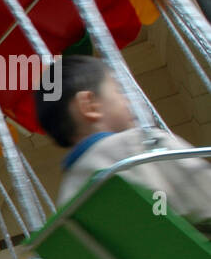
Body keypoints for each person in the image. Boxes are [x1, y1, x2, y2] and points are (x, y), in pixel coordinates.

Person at [36, 55, 211, 232]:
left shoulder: (68, 202)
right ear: (89, 105)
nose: (129, 101)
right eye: (119, 91)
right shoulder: (147, 145)